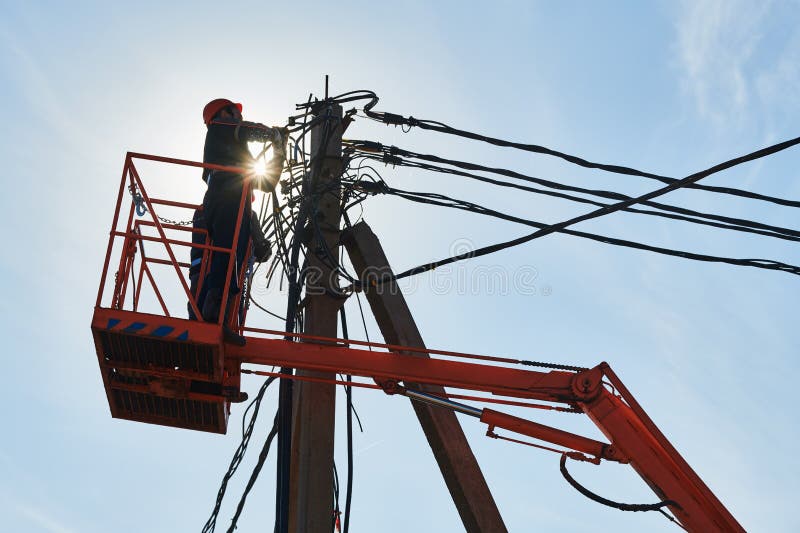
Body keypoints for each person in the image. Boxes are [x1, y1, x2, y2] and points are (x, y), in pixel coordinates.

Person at [194, 98, 286, 344]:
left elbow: (268, 183)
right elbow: (248, 129)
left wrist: (279, 150)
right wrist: (272, 134)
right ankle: (213, 318)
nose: (240, 116)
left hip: (235, 198)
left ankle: (220, 318)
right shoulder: (219, 128)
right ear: (223, 113)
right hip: (225, 195)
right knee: (226, 254)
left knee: (233, 258)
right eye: (235, 111)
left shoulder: (235, 153)